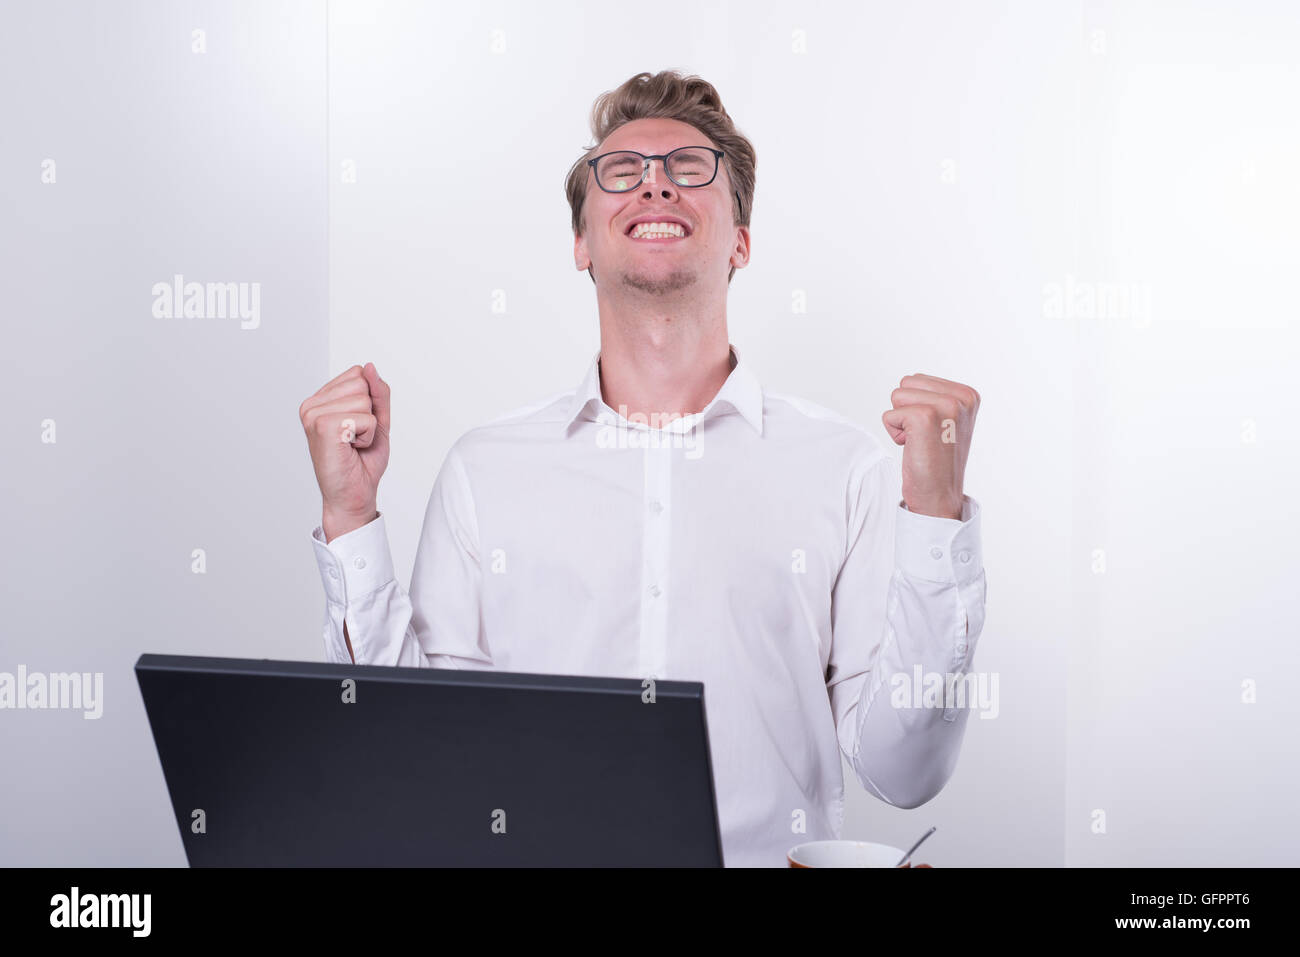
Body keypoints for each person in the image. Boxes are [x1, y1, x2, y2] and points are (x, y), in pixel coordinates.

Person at [298, 70, 986, 867]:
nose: (654, 184)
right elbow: (416, 751)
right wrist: (350, 517)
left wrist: (935, 518)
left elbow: (904, 774)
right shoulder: (484, 471)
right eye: (620, 172)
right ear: (582, 242)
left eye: (690, 168)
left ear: (741, 239)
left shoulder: (848, 471)